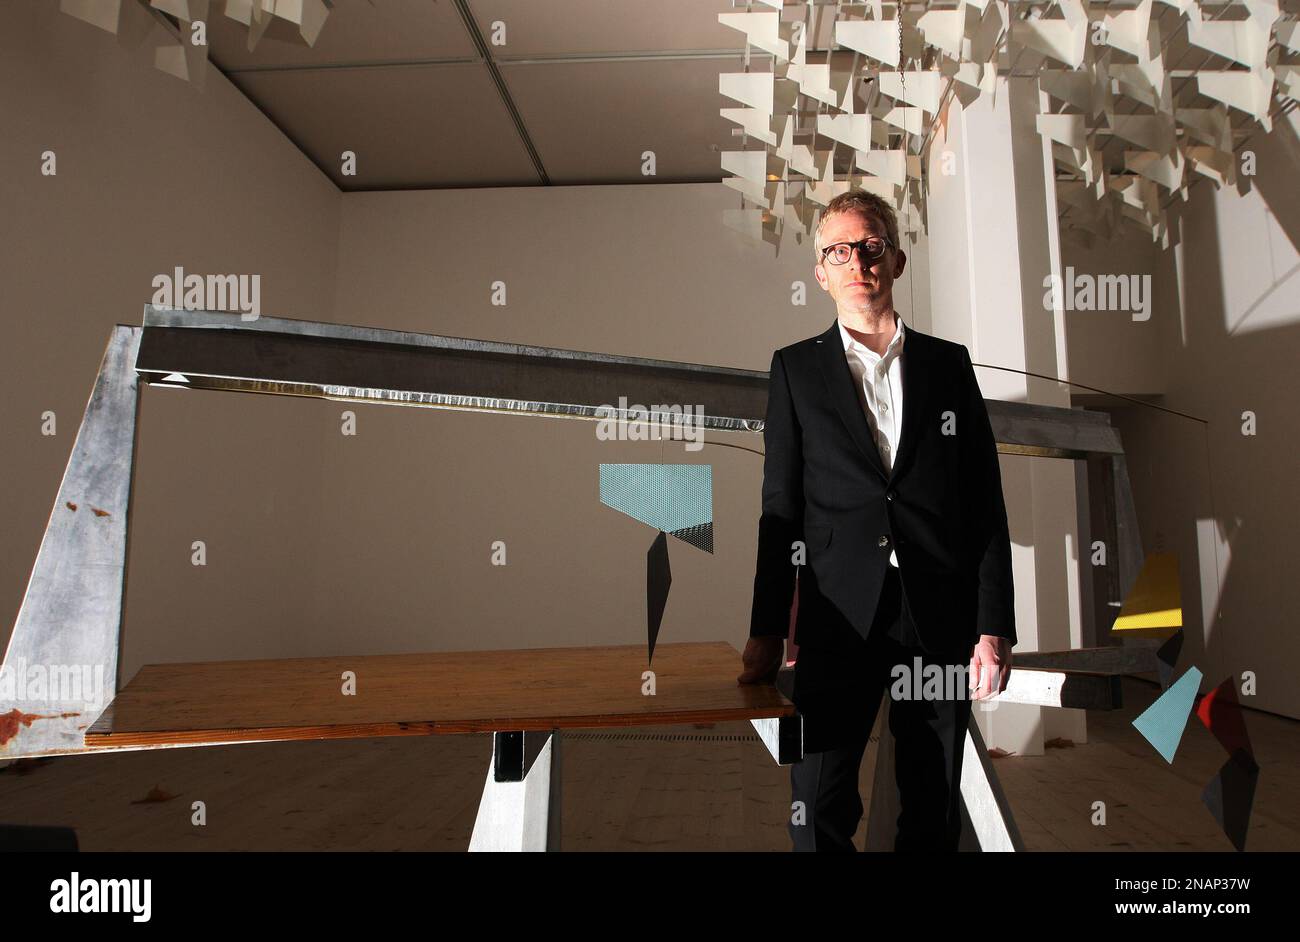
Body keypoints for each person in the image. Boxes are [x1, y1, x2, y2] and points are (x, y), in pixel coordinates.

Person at [737, 189, 1016, 851]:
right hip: (835, 617)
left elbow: (983, 502)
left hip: (937, 615)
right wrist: (767, 628)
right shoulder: (795, 370)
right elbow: (780, 510)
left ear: (896, 259)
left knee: (929, 806)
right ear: (821, 274)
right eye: (839, 250)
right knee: (821, 801)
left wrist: (992, 625)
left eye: (870, 246)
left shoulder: (948, 366)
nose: (856, 260)